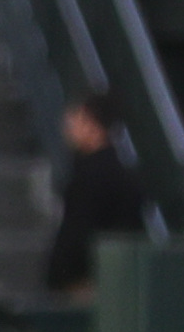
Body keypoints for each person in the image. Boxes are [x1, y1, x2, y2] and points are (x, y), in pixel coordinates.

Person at [46, 95, 146, 296]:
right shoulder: (117, 173)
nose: (69, 129)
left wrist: (66, 276)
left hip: (85, 288)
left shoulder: (92, 177)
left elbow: (79, 234)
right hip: (106, 282)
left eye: (75, 121)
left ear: (92, 124)